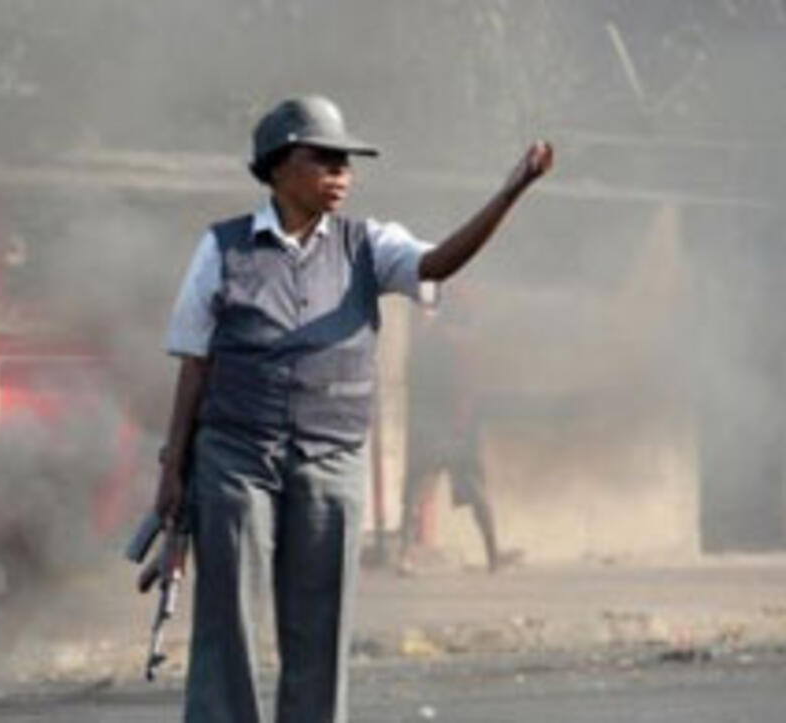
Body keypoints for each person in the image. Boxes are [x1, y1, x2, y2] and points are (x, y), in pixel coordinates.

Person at [155, 95, 552, 723]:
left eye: (348, 164)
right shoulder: (222, 249)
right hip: (235, 458)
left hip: (330, 458)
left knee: (321, 622)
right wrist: (173, 467)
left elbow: (437, 262)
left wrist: (509, 194)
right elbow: (194, 361)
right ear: (280, 167)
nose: (344, 174)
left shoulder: (371, 244)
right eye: (327, 160)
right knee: (226, 618)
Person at [398, 295, 518, 575]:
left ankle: (404, 556)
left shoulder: (426, 343)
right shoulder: (466, 345)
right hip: (458, 431)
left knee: (416, 493)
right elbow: (471, 392)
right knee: (477, 494)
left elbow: (411, 379)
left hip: (429, 428)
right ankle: (493, 557)